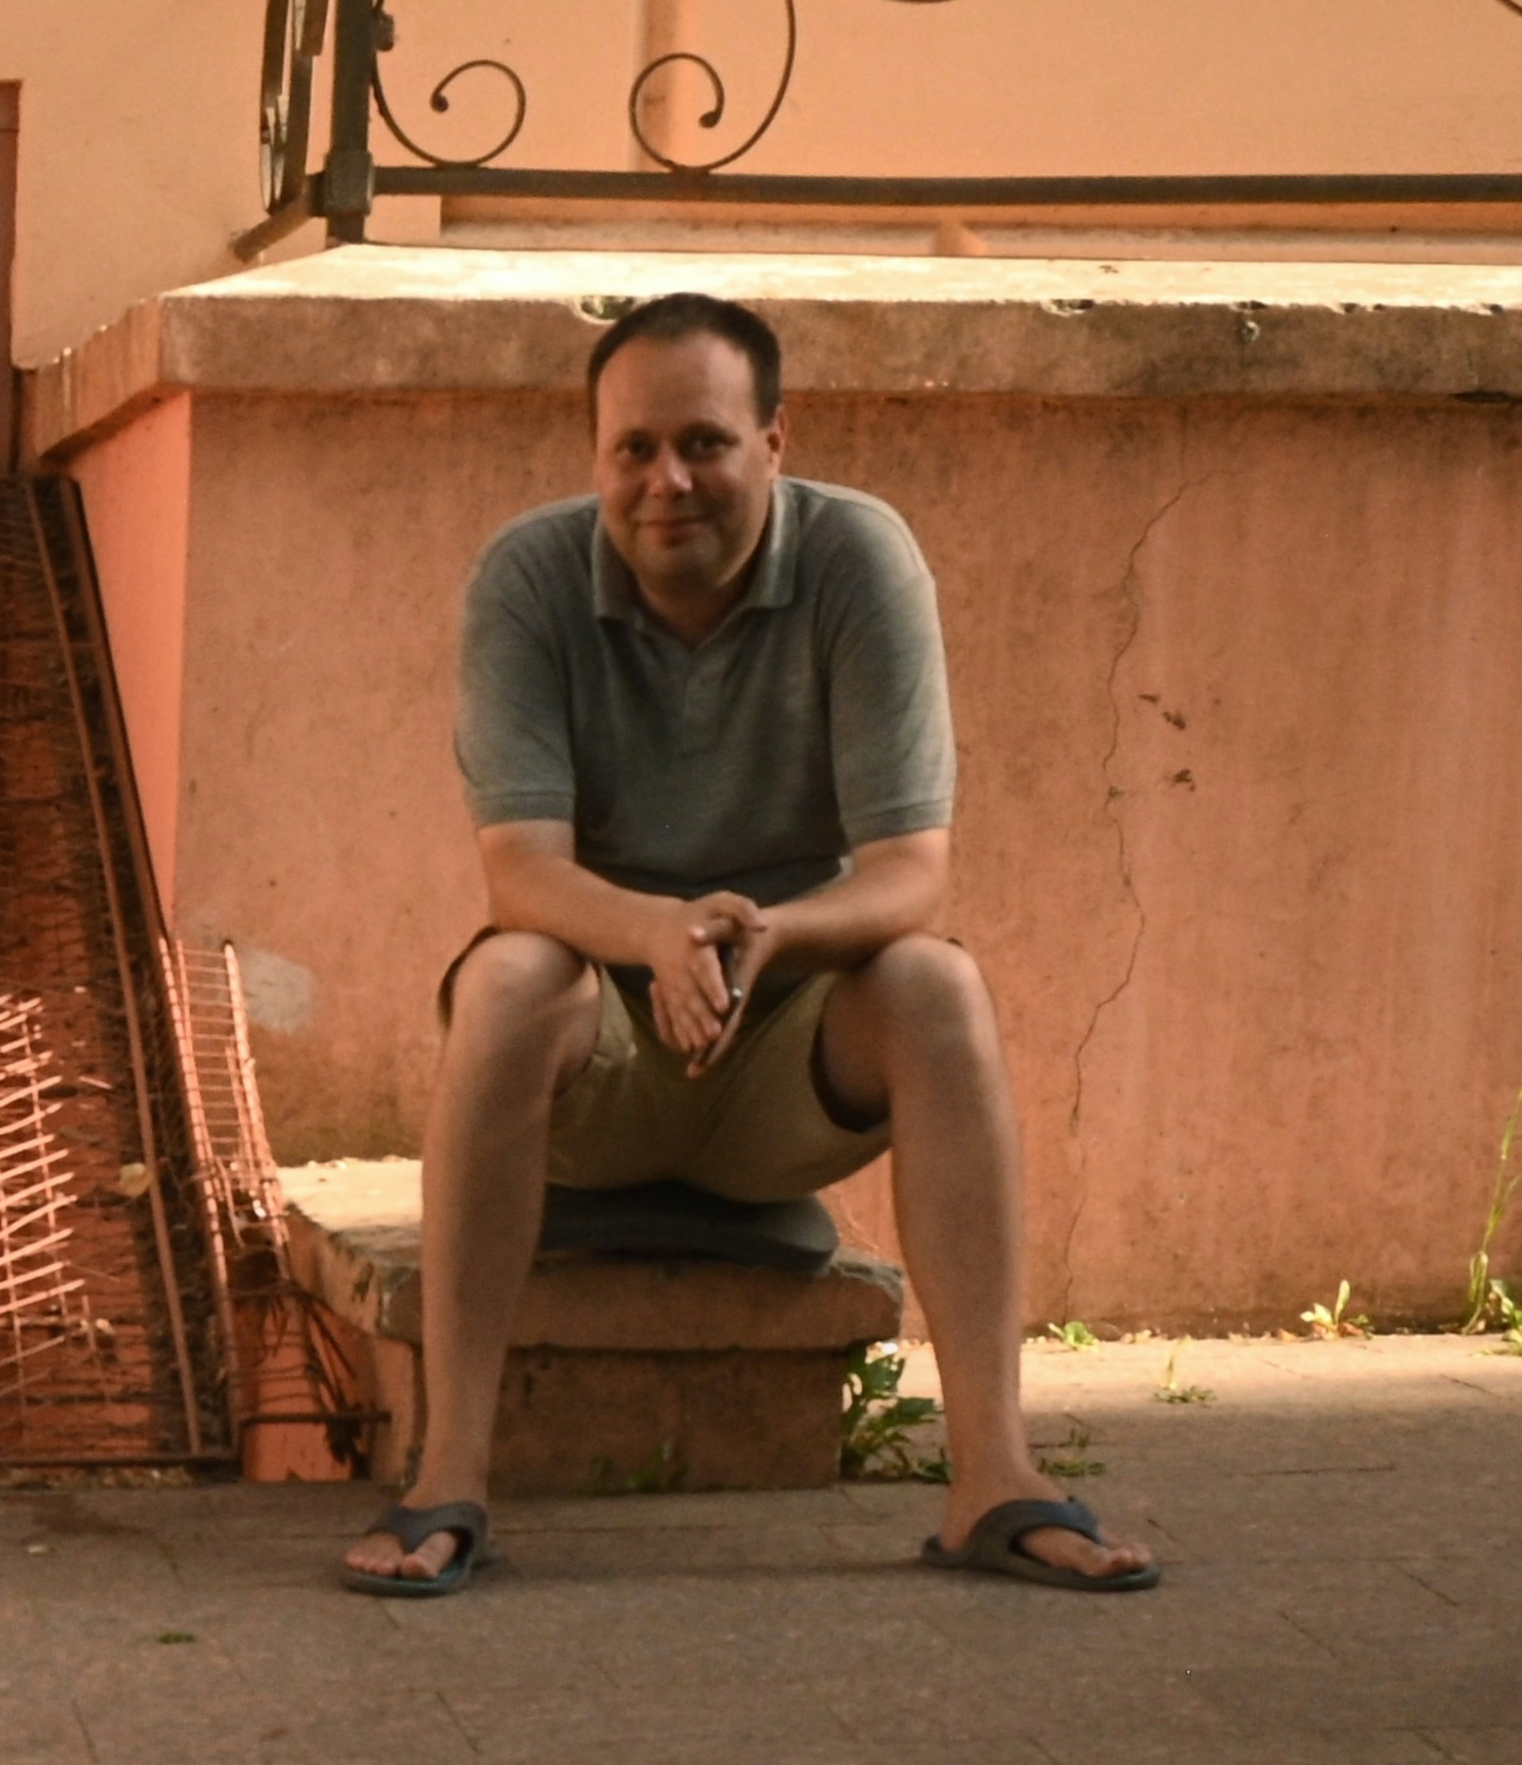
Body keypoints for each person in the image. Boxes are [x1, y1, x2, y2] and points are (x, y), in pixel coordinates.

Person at [335, 290, 1154, 1599]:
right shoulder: (528, 577)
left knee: (936, 985)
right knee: (503, 975)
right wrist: (658, 934)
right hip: (593, 1063)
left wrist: (763, 935)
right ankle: (449, 1481)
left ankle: (992, 1477)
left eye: (704, 444)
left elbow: (908, 874)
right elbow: (520, 872)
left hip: (787, 1057)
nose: (667, 482)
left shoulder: (856, 559)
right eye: (633, 449)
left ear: (772, 443)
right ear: (596, 455)